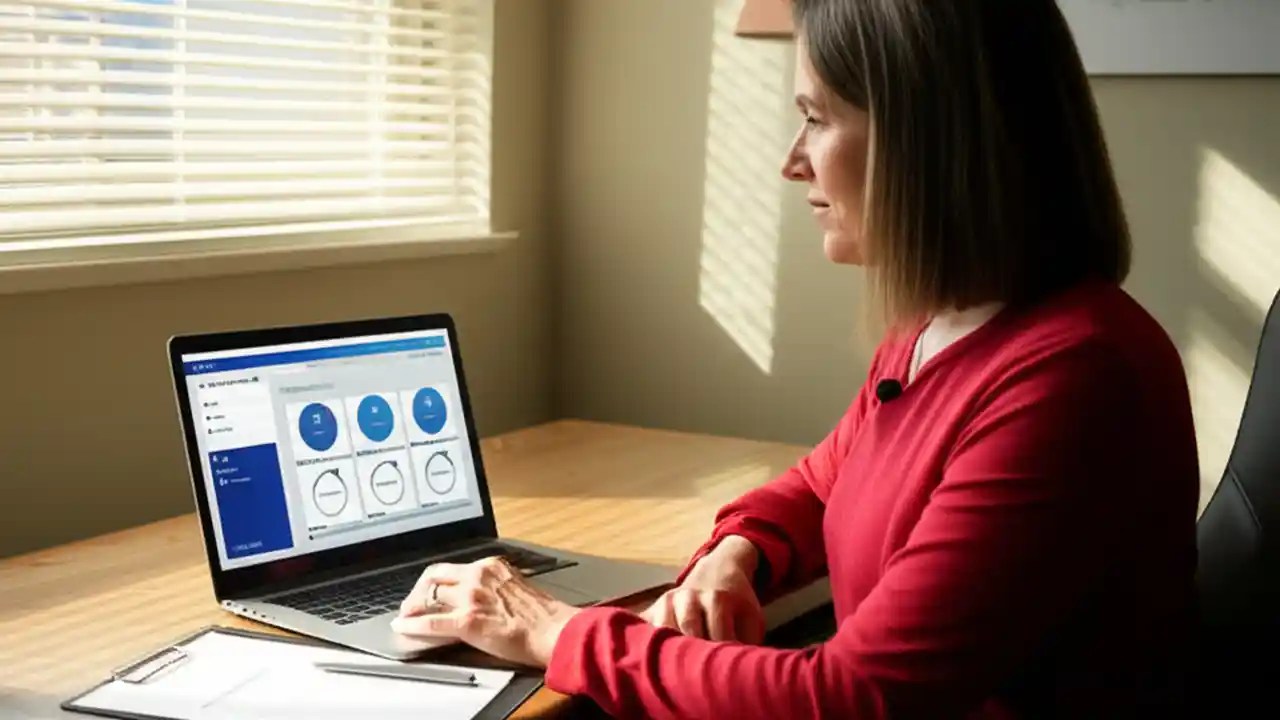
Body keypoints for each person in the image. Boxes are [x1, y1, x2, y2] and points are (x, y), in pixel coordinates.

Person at [390, 0, 1200, 716]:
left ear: (924, 139)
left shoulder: (1071, 379)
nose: (792, 160)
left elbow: (854, 697)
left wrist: (554, 630)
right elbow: (821, 484)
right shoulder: (940, 325)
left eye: (816, 117)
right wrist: (737, 552)